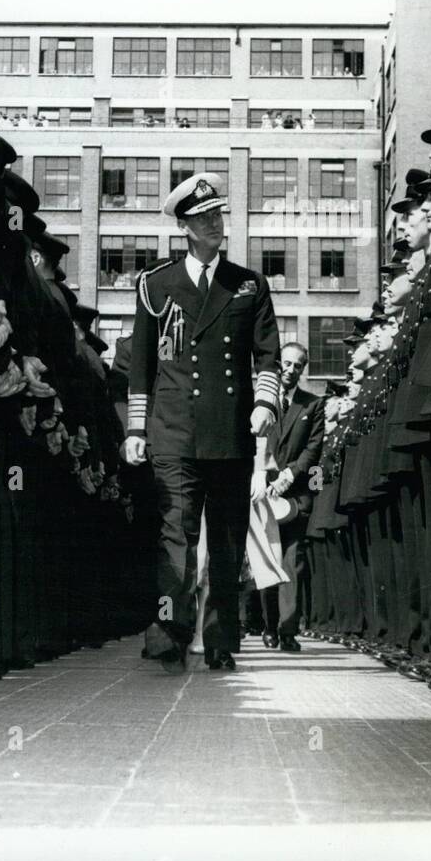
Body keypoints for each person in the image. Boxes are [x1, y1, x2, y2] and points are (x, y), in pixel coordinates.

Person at [123, 172, 281, 672]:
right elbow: (142, 363)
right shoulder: (155, 284)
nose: (214, 224)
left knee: (229, 540)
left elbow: (268, 356)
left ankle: (219, 640)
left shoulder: (249, 285)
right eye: (203, 218)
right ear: (185, 227)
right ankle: (169, 632)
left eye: (217, 215)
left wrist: (264, 403)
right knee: (176, 535)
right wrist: (135, 429)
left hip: (230, 434)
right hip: (172, 431)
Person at [261, 343, 326, 651]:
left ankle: (287, 630)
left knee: (292, 560)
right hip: (262, 493)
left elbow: (313, 450)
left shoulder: (313, 405)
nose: (290, 370)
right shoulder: (259, 402)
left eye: (298, 365)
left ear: (303, 369)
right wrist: (263, 479)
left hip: (295, 495)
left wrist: (288, 476)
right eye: (286, 363)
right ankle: (269, 625)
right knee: (267, 559)